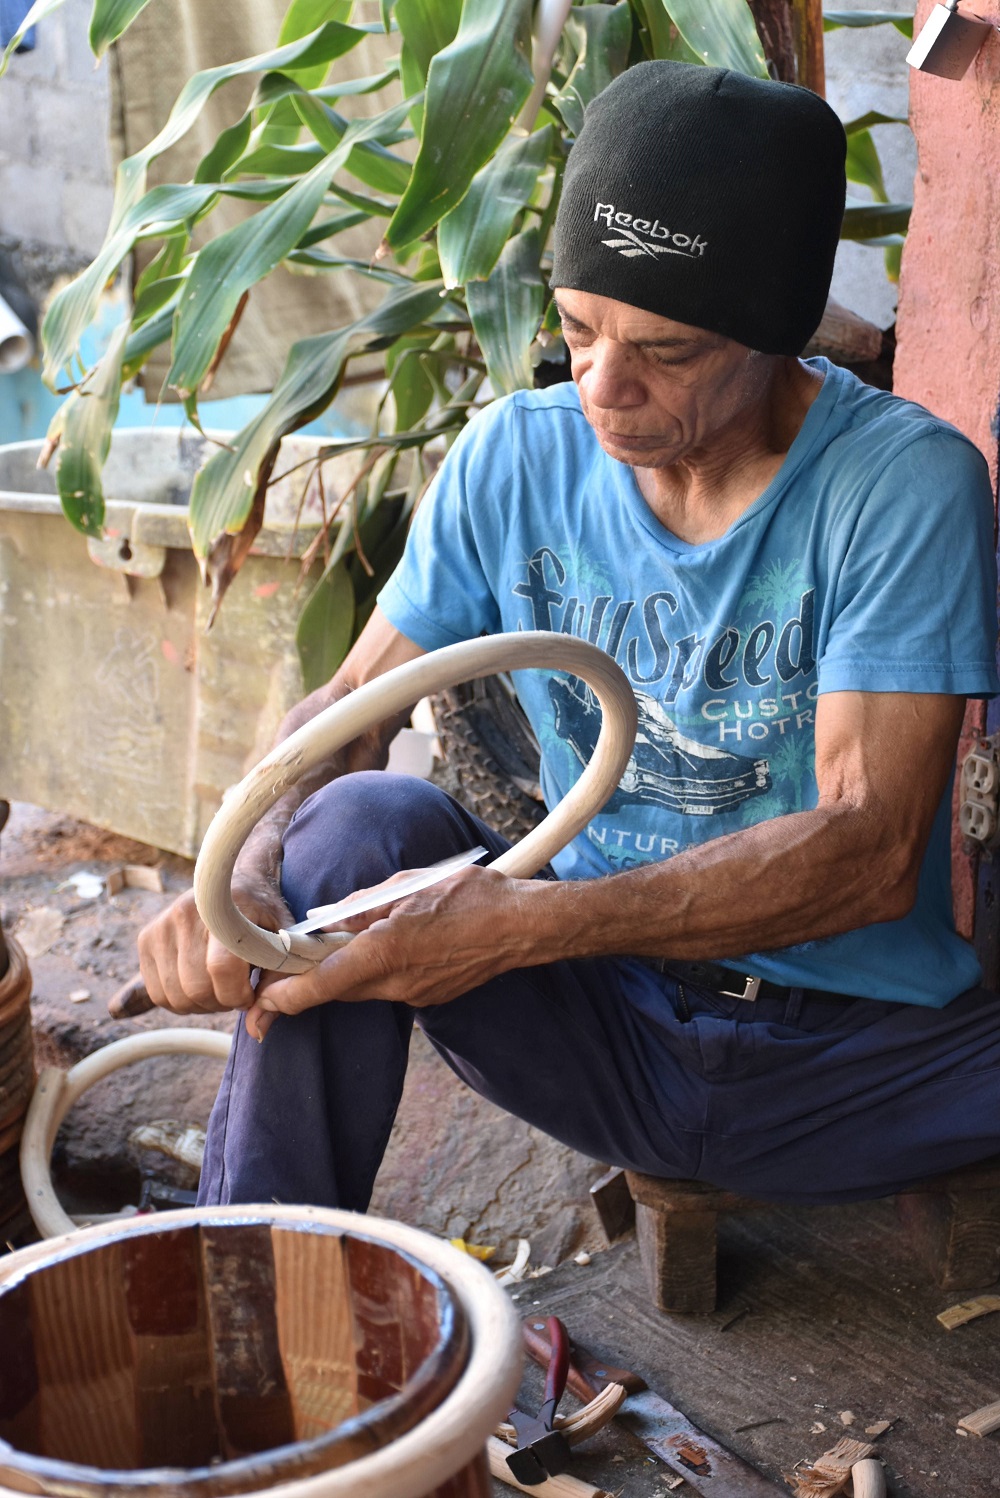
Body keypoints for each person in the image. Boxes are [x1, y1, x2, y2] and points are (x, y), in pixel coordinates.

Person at [139, 61, 1000, 1212]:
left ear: (777, 336)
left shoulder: (900, 484)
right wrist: (235, 879)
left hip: (852, 1067)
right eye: (578, 327)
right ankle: (252, 1278)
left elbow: (866, 850)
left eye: (667, 350)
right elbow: (349, 705)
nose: (602, 382)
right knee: (347, 825)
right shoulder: (516, 455)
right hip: (593, 1015)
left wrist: (526, 923)